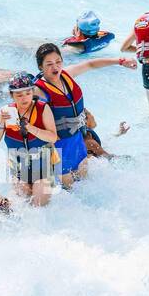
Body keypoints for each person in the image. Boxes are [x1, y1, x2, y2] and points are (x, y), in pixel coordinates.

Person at [33, 42, 133, 190]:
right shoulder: (38, 91)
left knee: (84, 187)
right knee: (69, 190)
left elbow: (90, 64)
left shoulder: (66, 75)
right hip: (58, 146)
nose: (55, 67)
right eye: (49, 64)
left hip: (77, 140)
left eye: (58, 62)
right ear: (40, 67)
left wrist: (120, 61)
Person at [0, 73, 58, 207]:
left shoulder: (43, 108)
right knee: (18, 206)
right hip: (19, 169)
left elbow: (53, 137)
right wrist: (1, 123)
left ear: (32, 92)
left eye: (28, 93)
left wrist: (31, 128)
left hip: (43, 168)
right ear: (12, 95)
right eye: (19, 95)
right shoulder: (8, 112)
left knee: (38, 206)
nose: (24, 98)